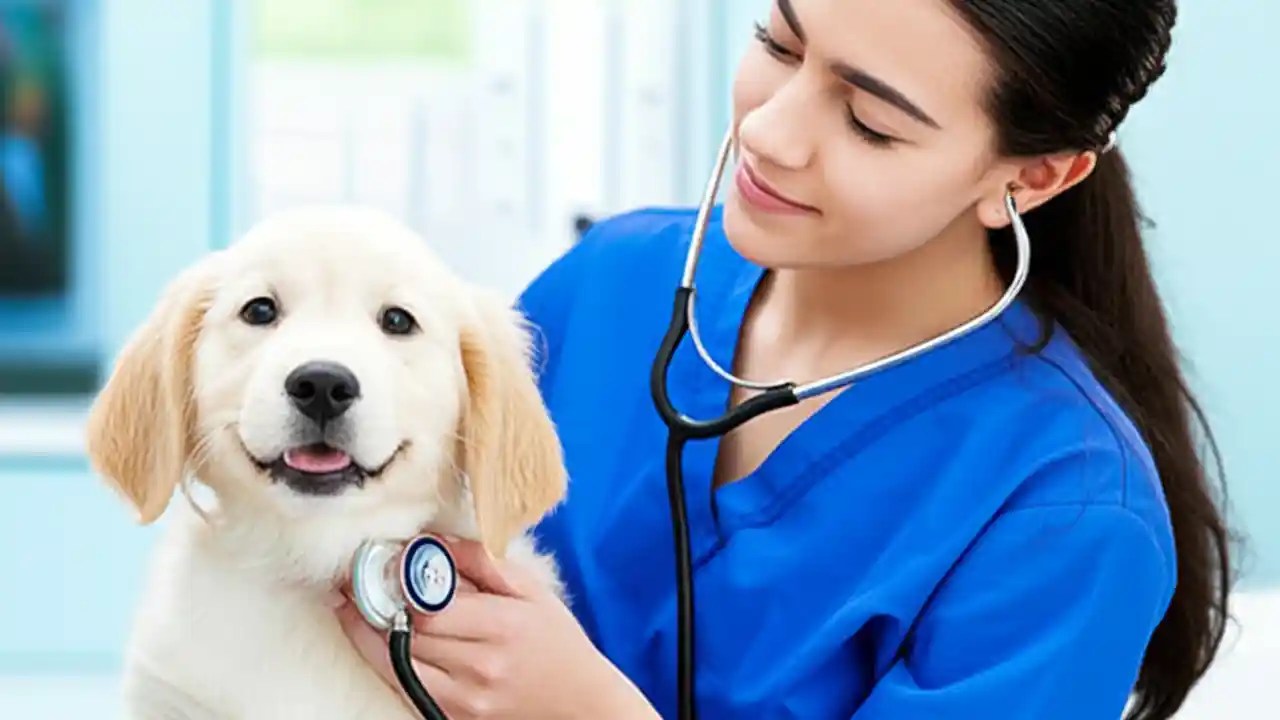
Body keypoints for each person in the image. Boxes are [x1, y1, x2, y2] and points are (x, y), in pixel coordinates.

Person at [336, 0, 1234, 718]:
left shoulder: (1067, 514)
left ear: (1033, 178)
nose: (770, 130)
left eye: (870, 121)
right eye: (778, 39)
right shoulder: (607, 285)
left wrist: (585, 710)